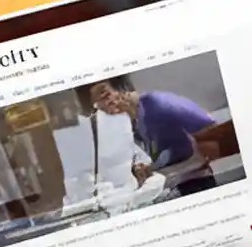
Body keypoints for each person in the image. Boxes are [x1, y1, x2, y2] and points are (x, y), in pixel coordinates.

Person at [88, 78, 218, 195]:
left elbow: (210, 129)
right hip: (172, 187)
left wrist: (158, 169)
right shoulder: (132, 123)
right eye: (98, 104)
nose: (105, 105)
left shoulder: (157, 103)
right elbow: (159, 152)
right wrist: (145, 167)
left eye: (106, 95)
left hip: (197, 183)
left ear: (123, 88)